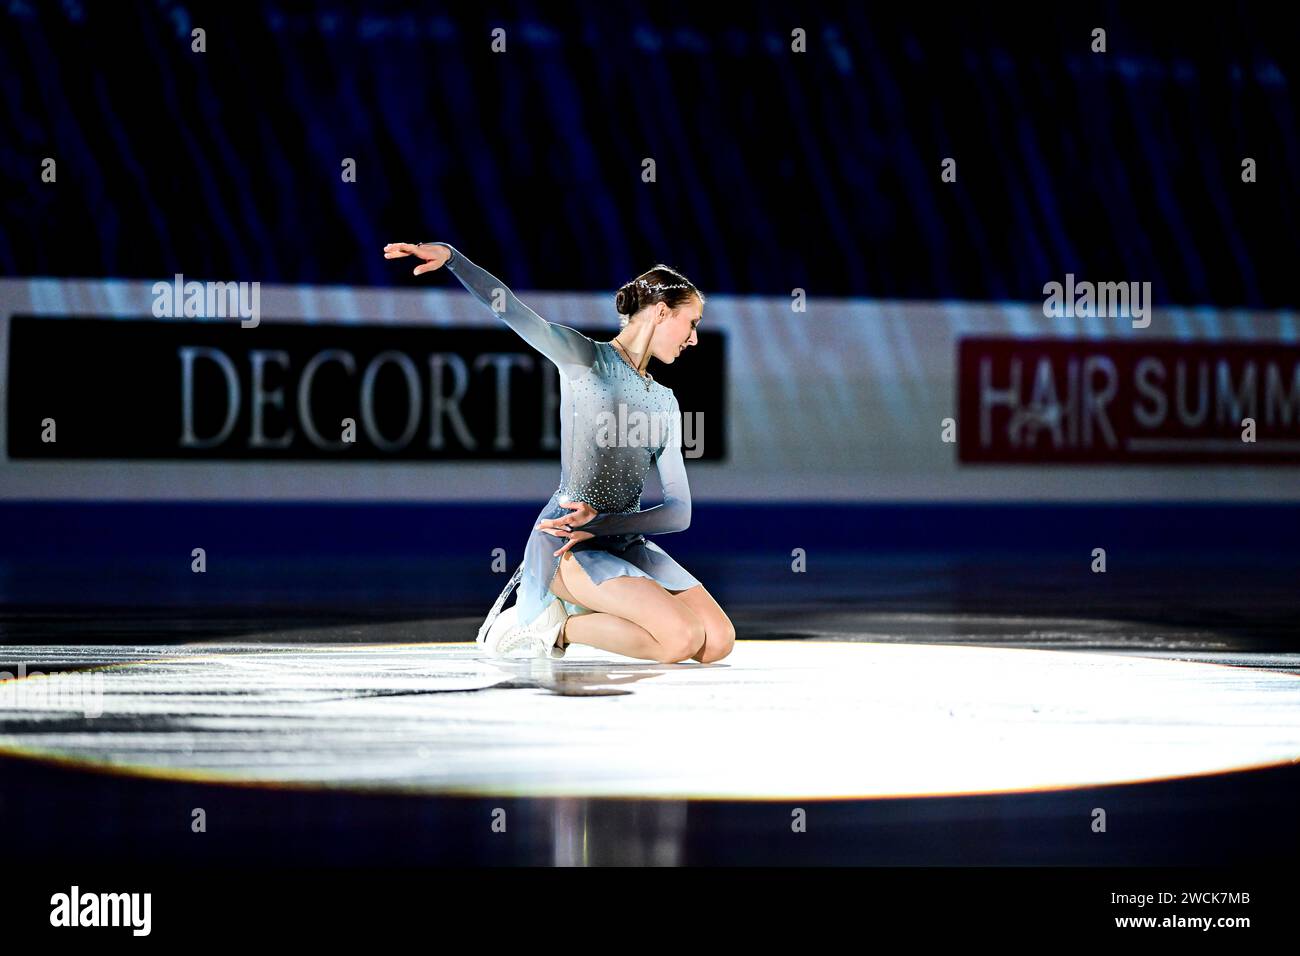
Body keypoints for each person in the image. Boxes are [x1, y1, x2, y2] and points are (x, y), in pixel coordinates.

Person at [382, 241, 735, 664]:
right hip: (568, 543)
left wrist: (602, 524)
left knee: (716, 641)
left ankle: (576, 614)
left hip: (617, 538)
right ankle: (552, 627)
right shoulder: (585, 359)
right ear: (662, 312)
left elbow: (680, 512)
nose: (694, 338)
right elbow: (510, 310)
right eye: (691, 323)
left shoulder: (665, 401)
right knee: (680, 639)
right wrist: (455, 260)